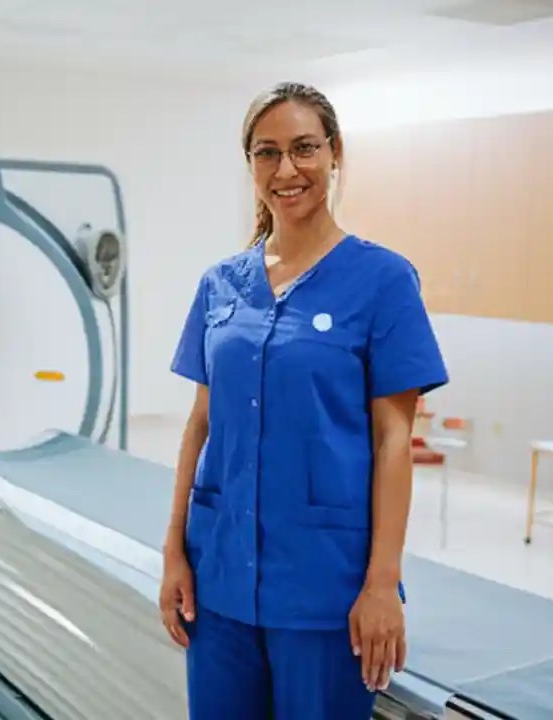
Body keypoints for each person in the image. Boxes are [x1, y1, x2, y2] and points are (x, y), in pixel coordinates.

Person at [159, 81, 450, 719]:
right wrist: (174, 551)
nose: (286, 169)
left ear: (334, 152)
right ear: (251, 165)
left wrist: (382, 583)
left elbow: (393, 441)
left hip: (326, 588)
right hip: (219, 576)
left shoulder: (383, 280)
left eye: (304, 148)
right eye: (267, 153)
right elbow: (200, 425)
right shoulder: (220, 284)